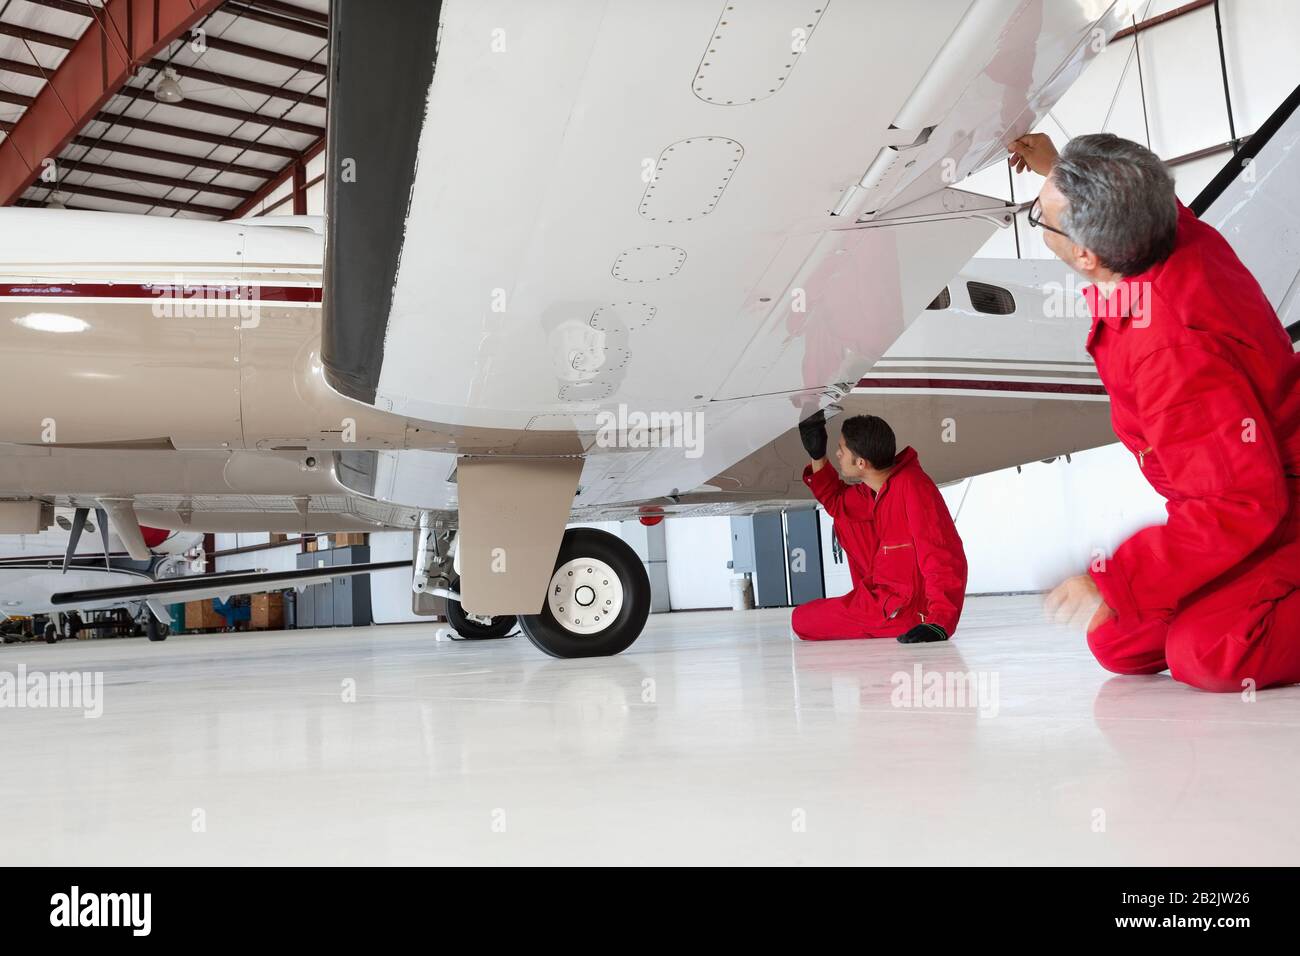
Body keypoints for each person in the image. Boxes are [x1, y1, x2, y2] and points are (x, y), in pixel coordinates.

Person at [1013, 131, 1300, 692]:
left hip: (1280, 505)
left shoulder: (1169, 352)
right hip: (1261, 492)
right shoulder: (1167, 235)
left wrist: (1112, 578)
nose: (1040, 218)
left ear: (1085, 255)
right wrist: (1059, 167)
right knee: (1117, 642)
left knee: (1210, 651)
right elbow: (1141, 190)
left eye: (1040, 217)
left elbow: (1241, 502)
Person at [791, 412, 967, 643]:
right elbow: (837, 502)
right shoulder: (879, 486)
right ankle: (866, 605)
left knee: (800, 620)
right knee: (845, 516)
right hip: (884, 594)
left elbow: (943, 554)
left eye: (841, 450)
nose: (838, 454)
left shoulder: (913, 488)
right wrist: (817, 455)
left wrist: (939, 622)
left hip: (906, 611)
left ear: (861, 463)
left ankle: (874, 614)